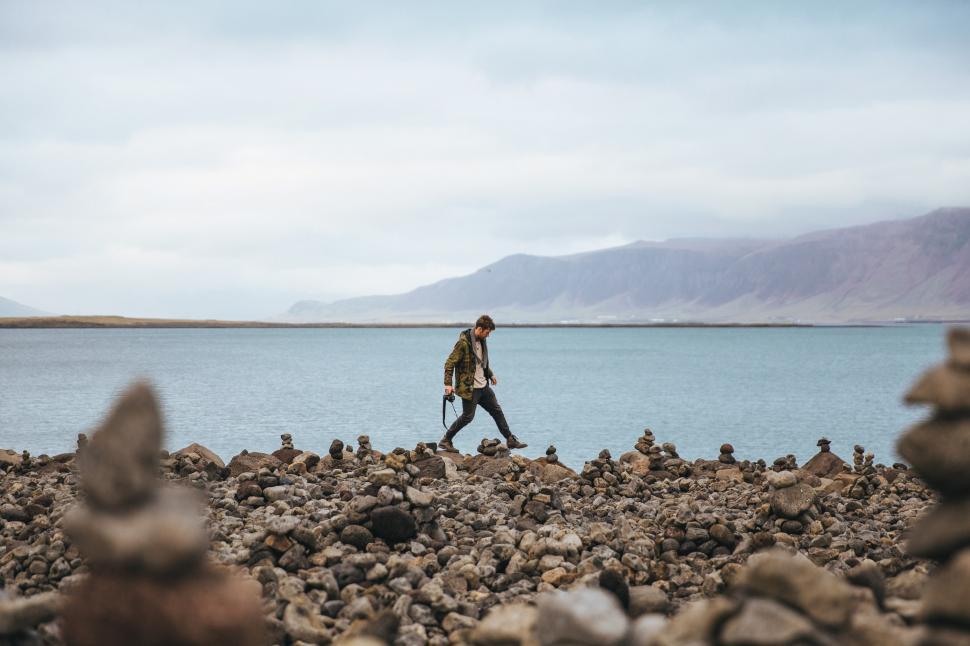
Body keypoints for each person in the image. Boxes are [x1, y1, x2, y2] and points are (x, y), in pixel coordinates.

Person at [440, 314, 527, 451]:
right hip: (470, 388)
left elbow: (481, 363)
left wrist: (490, 374)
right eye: (487, 332)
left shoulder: (482, 342)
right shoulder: (463, 344)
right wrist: (448, 385)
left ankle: (510, 439)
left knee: (497, 411)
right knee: (467, 417)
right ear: (479, 329)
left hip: (483, 386)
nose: (488, 335)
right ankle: (446, 440)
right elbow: (449, 364)